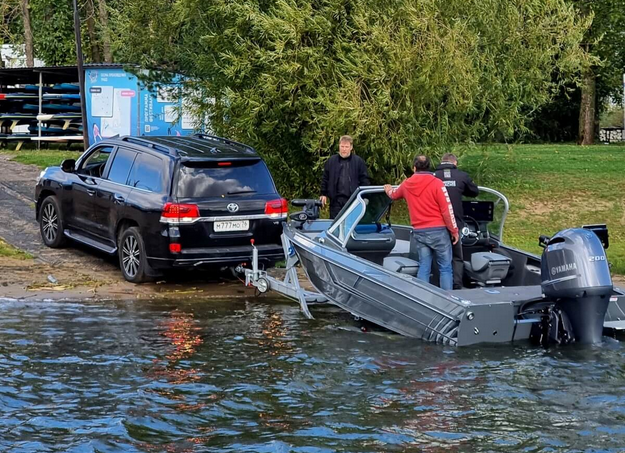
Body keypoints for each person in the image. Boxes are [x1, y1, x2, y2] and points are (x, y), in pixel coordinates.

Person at [384, 155, 459, 290]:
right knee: (445, 268)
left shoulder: (407, 184)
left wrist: (388, 189)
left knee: (424, 266)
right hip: (439, 232)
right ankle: (448, 301)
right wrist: (454, 231)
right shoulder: (437, 183)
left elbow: (394, 195)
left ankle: (422, 296)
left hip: (420, 231)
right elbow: (447, 210)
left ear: (414, 168)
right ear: (429, 167)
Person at [434, 153, 479, 289]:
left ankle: (437, 285)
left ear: (441, 162)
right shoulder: (462, 176)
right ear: (455, 163)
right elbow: (474, 191)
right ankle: (457, 285)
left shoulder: (433, 177)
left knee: (438, 254)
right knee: (457, 256)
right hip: (456, 222)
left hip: (436, 223)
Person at [320, 135, 370, 218]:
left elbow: (364, 180)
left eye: (346, 147)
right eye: (342, 146)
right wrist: (323, 193)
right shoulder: (331, 161)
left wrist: (364, 197)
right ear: (339, 146)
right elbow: (325, 178)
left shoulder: (358, 162)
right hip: (335, 201)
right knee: (335, 226)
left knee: (350, 226)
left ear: (351, 147)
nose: (344, 149)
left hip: (353, 201)